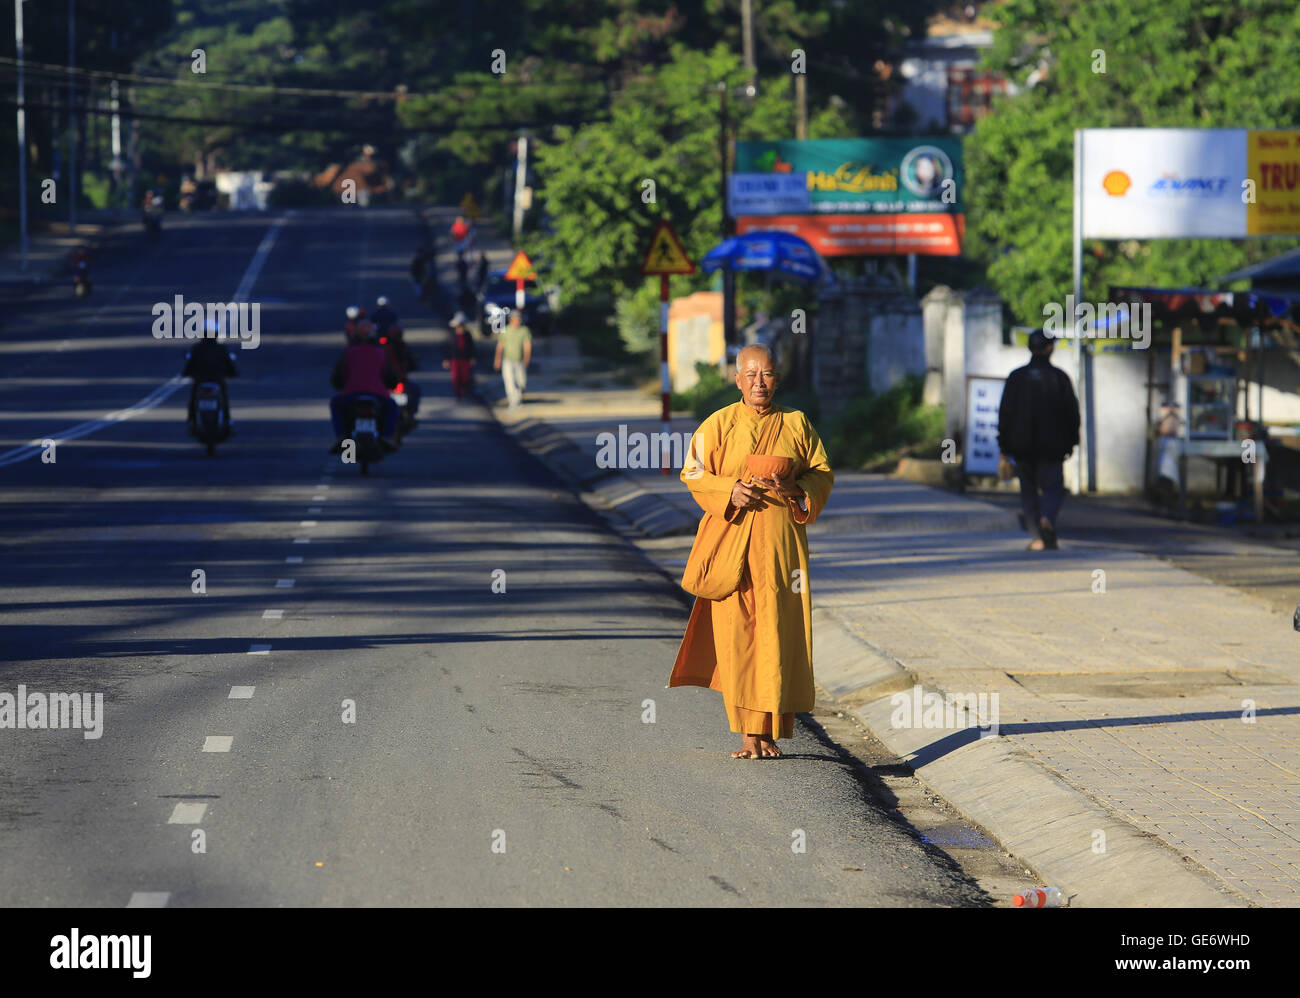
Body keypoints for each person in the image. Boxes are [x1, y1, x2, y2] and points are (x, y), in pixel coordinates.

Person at [669, 344, 834, 759]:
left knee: (776, 635)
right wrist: (730, 489)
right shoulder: (719, 423)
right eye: (751, 375)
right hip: (732, 542)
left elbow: (822, 473)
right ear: (738, 379)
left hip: (780, 548)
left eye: (768, 374)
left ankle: (770, 730)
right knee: (738, 637)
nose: (760, 382)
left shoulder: (796, 422)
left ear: (778, 379)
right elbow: (692, 471)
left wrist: (796, 489)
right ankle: (747, 733)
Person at [997, 330, 1081, 551]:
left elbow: (1005, 413)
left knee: (1028, 491)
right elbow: (1072, 414)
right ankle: (1048, 518)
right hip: (1053, 447)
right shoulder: (1059, 378)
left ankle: (1037, 537)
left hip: (1022, 446)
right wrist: (1073, 441)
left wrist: (1003, 446)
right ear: (1049, 348)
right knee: (1053, 488)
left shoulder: (1016, 378)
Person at [329, 329, 400, 452]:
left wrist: (340, 385)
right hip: (378, 394)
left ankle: (341, 436)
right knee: (393, 406)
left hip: (351, 394)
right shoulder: (380, 353)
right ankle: (387, 437)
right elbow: (390, 376)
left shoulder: (349, 352)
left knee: (335, 403)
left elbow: (339, 375)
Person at [183, 326, 238, 435]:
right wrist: (233, 373)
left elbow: (189, 366)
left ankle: (191, 420)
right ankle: (227, 420)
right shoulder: (221, 349)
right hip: (217, 381)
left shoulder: (197, 348)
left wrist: (185, 373)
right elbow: (230, 367)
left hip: (200, 382)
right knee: (223, 399)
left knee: (194, 399)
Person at [493, 311, 532, 409]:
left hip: (519, 360)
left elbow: (527, 345)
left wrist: (527, 358)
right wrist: (497, 359)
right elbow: (500, 346)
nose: (517, 321)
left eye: (519, 319)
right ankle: (513, 401)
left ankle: (518, 397)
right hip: (507, 360)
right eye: (515, 319)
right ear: (511, 320)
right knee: (509, 380)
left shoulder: (524, 330)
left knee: (521, 382)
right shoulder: (505, 330)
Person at [442, 311, 476, 401]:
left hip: (465, 359)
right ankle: (458, 395)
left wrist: (472, 357)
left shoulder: (467, 335)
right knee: (456, 377)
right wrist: (446, 359)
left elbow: (471, 347)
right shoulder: (452, 335)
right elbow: (448, 348)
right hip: (455, 359)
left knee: (466, 377)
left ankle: (465, 391)